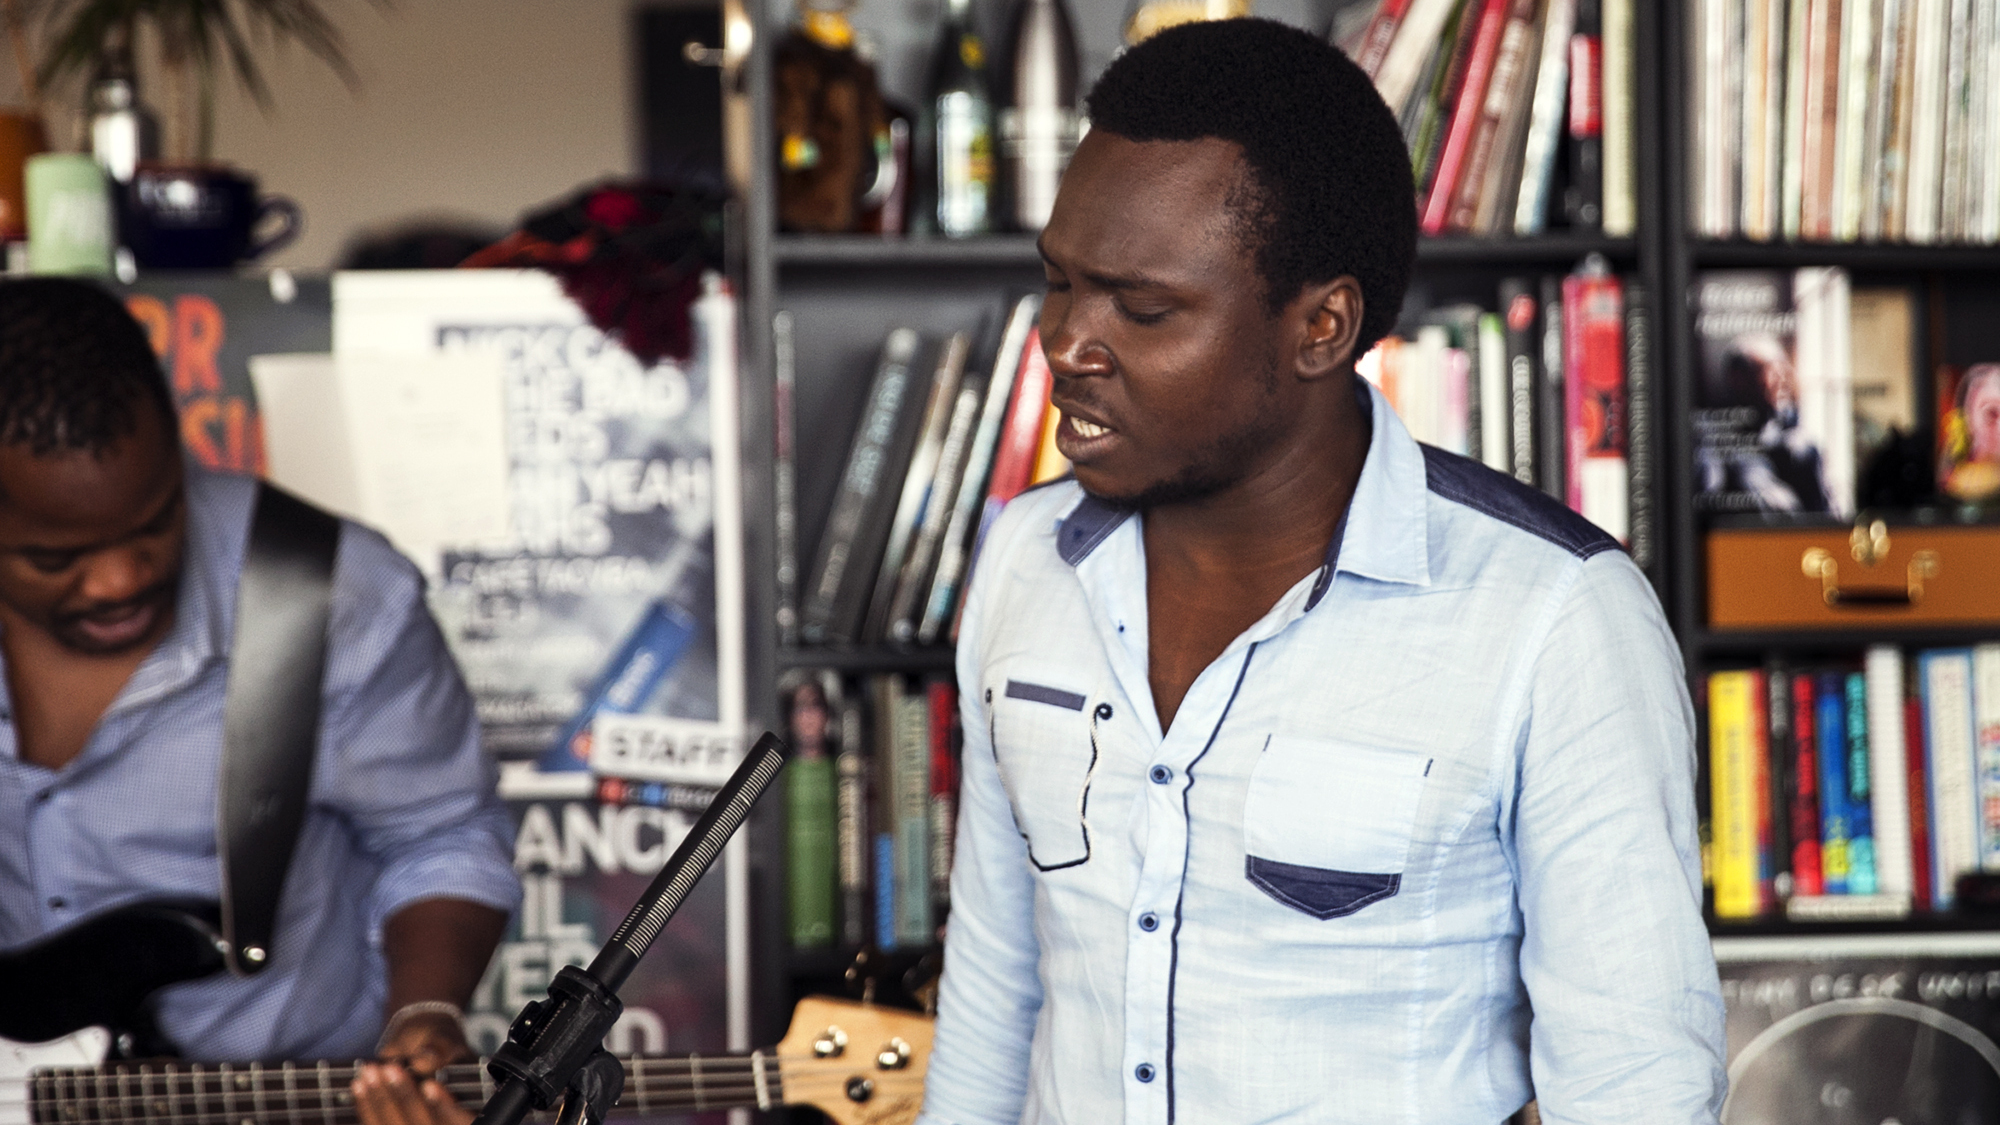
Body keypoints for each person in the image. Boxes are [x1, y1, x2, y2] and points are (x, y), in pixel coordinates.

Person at [920, 19, 1725, 1125]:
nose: (1066, 343)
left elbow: (1635, 1089)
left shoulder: (1551, 618)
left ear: (1320, 327)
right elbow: (993, 991)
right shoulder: (1023, 559)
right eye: (1059, 283)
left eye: (1142, 308)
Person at [0, 278, 520, 1100]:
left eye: (156, 520)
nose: (119, 579)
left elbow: (442, 834)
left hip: (278, 1095)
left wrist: (424, 1012)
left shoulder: (333, 595)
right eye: (54, 558)